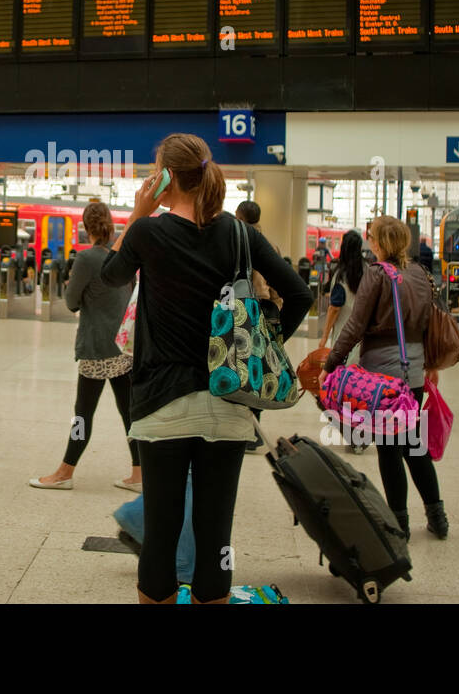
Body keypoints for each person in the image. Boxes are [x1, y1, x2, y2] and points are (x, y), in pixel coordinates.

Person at [100, 133, 311, 604]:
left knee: (161, 535)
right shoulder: (240, 234)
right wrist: (265, 348)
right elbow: (299, 294)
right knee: (216, 541)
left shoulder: (147, 233)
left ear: (167, 178)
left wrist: (137, 213)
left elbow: (109, 277)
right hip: (228, 405)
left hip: (161, 406)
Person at [324, 215, 447, 540]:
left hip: (383, 379)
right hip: (415, 374)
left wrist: (332, 362)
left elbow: (355, 325)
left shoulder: (376, 274)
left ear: (378, 243)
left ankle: (399, 523)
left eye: (373, 238)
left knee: (389, 449)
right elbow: (429, 321)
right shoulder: (420, 273)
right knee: (413, 444)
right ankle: (438, 516)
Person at [29, 202, 140, 492]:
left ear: (86, 228)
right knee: (128, 412)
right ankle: (139, 474)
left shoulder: (87, 258)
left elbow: (71, 301)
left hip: (96, 346)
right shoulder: (121, 257)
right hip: (122, 347)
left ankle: (65, 472)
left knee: (82, 413)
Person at [234, 200, 283, 454]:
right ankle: (253, 428)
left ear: (238, 217)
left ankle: (245, 428)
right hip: (266, 310)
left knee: (242, 367)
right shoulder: (269, 244)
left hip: (244, 311)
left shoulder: (238, 242)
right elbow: (281, 282)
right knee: (260, 367)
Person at [319, 228, 368, 454]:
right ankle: (362, 433)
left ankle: (352, 434)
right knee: (361, 392)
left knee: (339, 392)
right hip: (366, 341)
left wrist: (323, 339)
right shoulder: (369, 272)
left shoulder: (340, 274)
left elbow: (334, 308)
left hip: (343, 341)